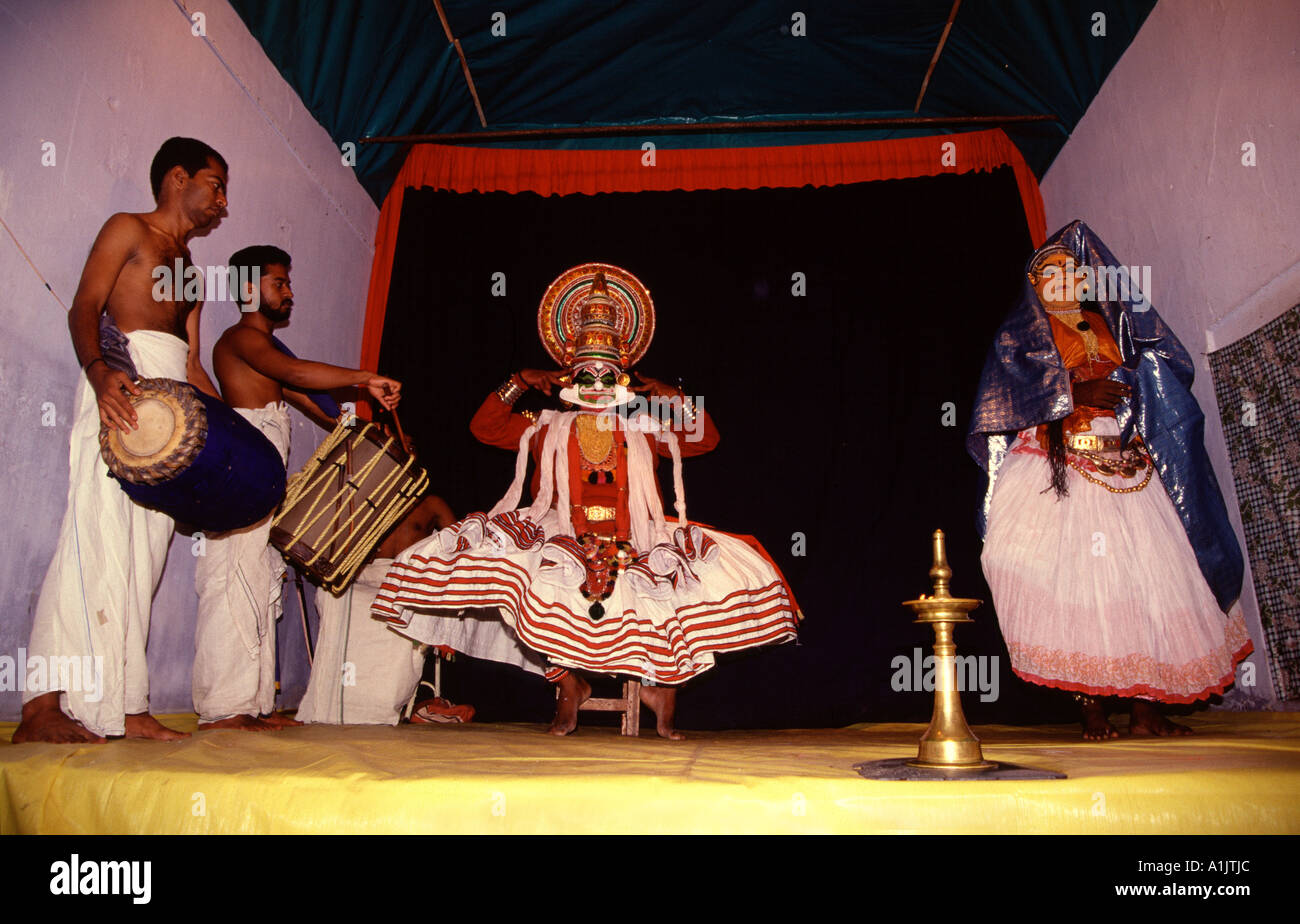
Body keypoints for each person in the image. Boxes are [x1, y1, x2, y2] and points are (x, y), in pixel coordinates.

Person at [373, 264, 800, 738]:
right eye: (587, 377)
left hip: (633, 537)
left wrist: (672, 396)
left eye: (606, 377)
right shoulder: (545, 427)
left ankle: (659, 686)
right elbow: (485, 428)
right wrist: (518, 380)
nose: (597, 386)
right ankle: (568, 683)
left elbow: (706, 439)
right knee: (519, 583)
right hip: (563, 534)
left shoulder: (644, 429)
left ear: (621, 381)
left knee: (667, 589)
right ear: (570, 380)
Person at [969, 221, 1251, 740]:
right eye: (1051, 272)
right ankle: (1092, 708)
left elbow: (1146, 383)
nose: (1065, 279)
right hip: (1060, 464)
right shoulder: (1021, 338)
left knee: (1149, 579)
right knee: (1077, 583)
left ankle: (1146, 710)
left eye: (1072, 272)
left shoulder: (1108, 328)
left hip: (1128, 463)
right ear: (1033, 285)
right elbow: (1007, 402)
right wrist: (1071, 396)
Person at [14, 137, 228, 743]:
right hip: (121, 390)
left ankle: (125, 704)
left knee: (145, 556)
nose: (222, 199)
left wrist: (227, 433)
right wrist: (100, 373)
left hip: (171, 414)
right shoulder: (127, 229)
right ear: (177, 176)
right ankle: (42, 707)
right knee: (93, 536)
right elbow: (84, 307)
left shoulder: (192, 271)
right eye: (215, 183)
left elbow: (188, 364)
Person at [193, 245, 401, 730]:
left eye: (288, 283)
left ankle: (253, 704)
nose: (289, 293)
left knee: (263, 580)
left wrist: (370, 433)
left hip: (262, 470)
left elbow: (315, 401)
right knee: (233, 578)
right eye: (278, 283)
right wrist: (366, 378)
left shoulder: (263, 353)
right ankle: (224, 709)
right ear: (249, 288)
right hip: (239, 467)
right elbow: (297, 372)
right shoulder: (242, 339)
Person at [296, 491, 462, 726]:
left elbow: (460, 545)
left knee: (403, 609)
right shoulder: (371, 492)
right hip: (364, 576)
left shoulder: (432, 502)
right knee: (333, 597)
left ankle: (380, 707)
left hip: (407, 580)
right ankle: (336, 703)